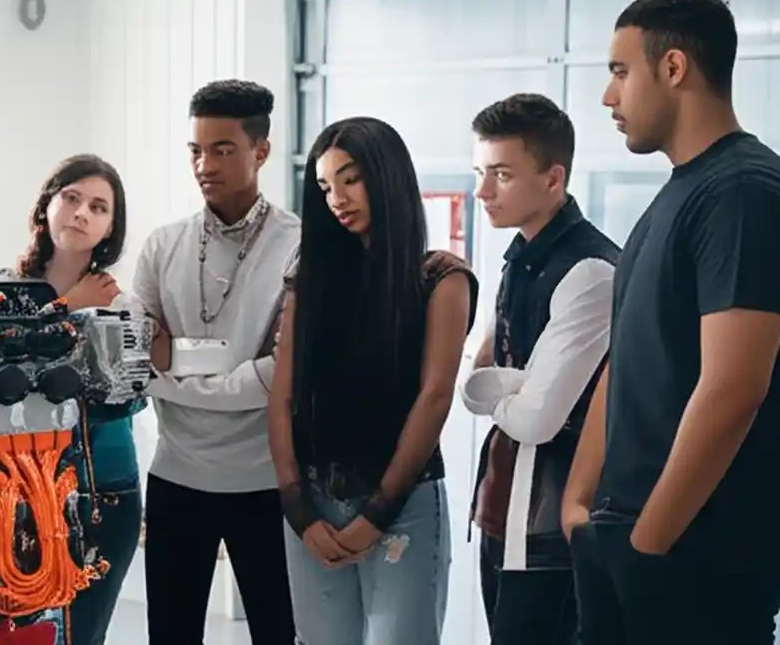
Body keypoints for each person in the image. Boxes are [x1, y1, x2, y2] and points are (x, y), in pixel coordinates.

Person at [562, 0, 780, 644]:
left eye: (619, 71)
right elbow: (627, 361)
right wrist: (579, 505)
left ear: (673, 67)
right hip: (628, 542)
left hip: (694, 560)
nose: (608, 96)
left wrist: (647, 545)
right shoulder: (679, 194)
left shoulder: (743, 194)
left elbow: (734, 388)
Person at [268, 116, 476, 644]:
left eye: (351, 179)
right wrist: (297, 508)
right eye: (324, 187)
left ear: (387, 177)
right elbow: (283, 395)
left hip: (402, 503)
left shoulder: (440, 278)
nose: (337, 198)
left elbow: (434, 398)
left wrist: (378, 513)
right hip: (313, 501)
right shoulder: (311, 278)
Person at [132, 79, 299, 645]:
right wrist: (234, 369)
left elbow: (278, 378)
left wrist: (173, 371)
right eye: (196, 151)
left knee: (279, 634)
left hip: (266, 481)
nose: (205, 166)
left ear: (261, 151)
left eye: (223, 150)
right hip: (176, 477)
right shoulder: (162, 245)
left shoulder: (300, 246)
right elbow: (136, 360)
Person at [460, 93, 618, 644]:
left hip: (555, 527)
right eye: (480, 173)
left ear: (554, 179)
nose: (482, 191)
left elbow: (537, 420)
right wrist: (518, 387)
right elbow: (474, 386)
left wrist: (505, 391)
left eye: (501, 175)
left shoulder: (590, 271)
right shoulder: (518, 258)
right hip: (504, 511)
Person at [0, 154, 145, 645]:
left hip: (106, 491)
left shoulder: (120, 303)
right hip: (19, 491)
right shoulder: (3, 292)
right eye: (72, 198)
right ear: (47, 205)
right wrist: (67, 309)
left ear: (110, 228)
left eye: (99, 208)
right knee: (17, 634)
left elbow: (128, 397)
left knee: (83, 636)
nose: (82, 213)